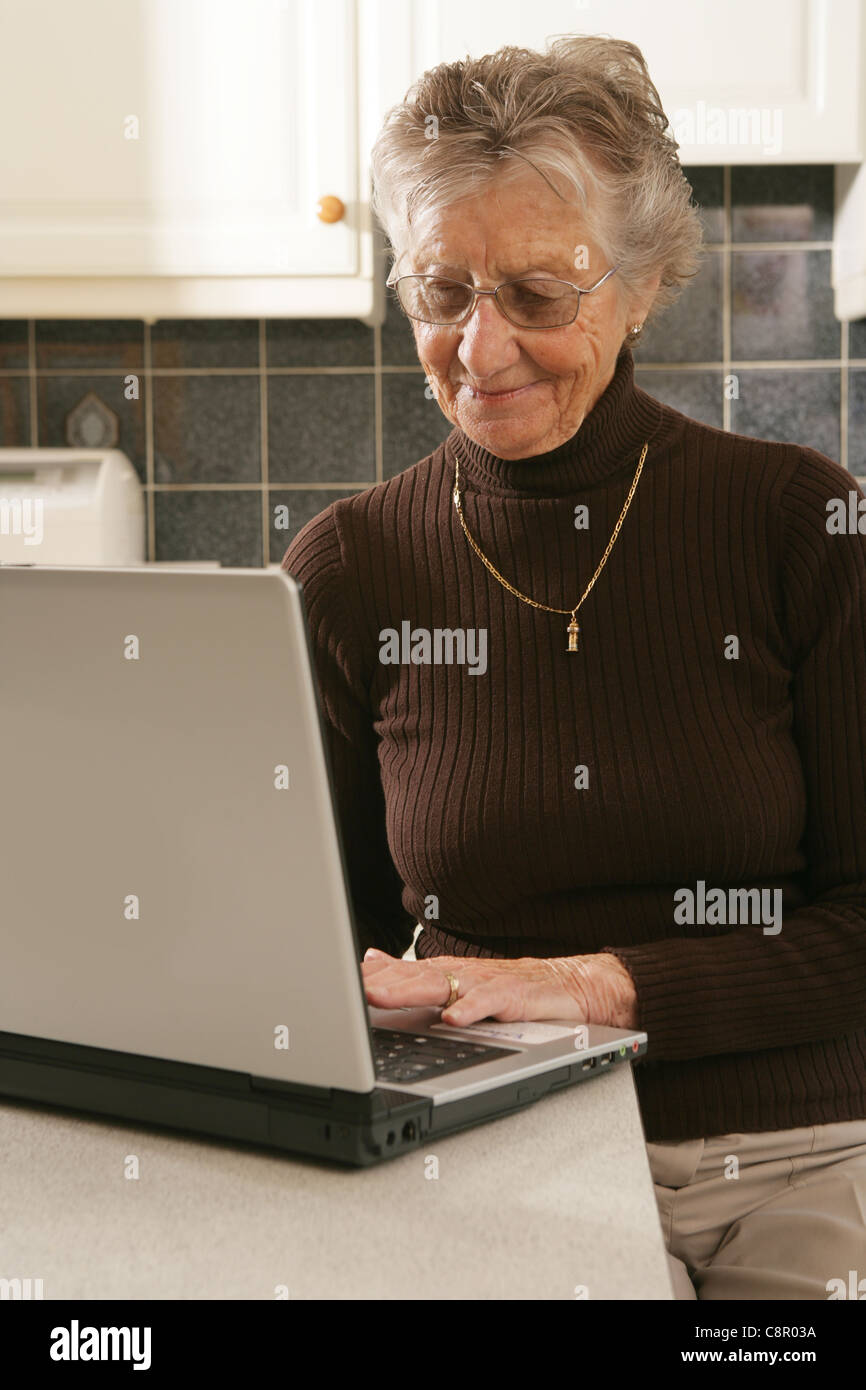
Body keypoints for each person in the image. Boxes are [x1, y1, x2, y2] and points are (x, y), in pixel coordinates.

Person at [281, 35, 866, 1299]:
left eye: (538, 295)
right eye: (441, 292)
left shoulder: (801, 527)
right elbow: (319, 946)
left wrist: (603, 987)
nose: (479, 349)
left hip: (798, 1163)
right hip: (497, 1163)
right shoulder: (346, 570)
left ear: (643, 283)